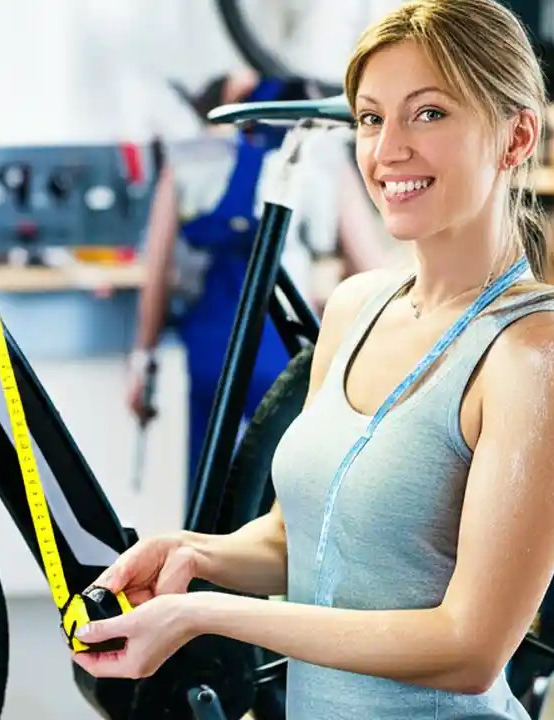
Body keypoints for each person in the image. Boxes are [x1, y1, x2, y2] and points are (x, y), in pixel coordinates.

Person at [82, 1, 554, 718]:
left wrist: (204, 613)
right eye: (370, 118)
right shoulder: (357, 307)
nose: (388, 149)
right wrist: (193, 554)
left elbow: (469, 648)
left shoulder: (537, 352)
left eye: (428, 114)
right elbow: (297, 540)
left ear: (516, 137)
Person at [127, 69, 388, 517]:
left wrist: (143, 361)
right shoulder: (319, 155)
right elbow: (369, 267)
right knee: (286, 496)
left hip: (211, 352)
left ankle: (200, 557)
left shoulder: (187, 159)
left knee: (208, 490)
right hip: (286, 346)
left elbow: (158, 272)